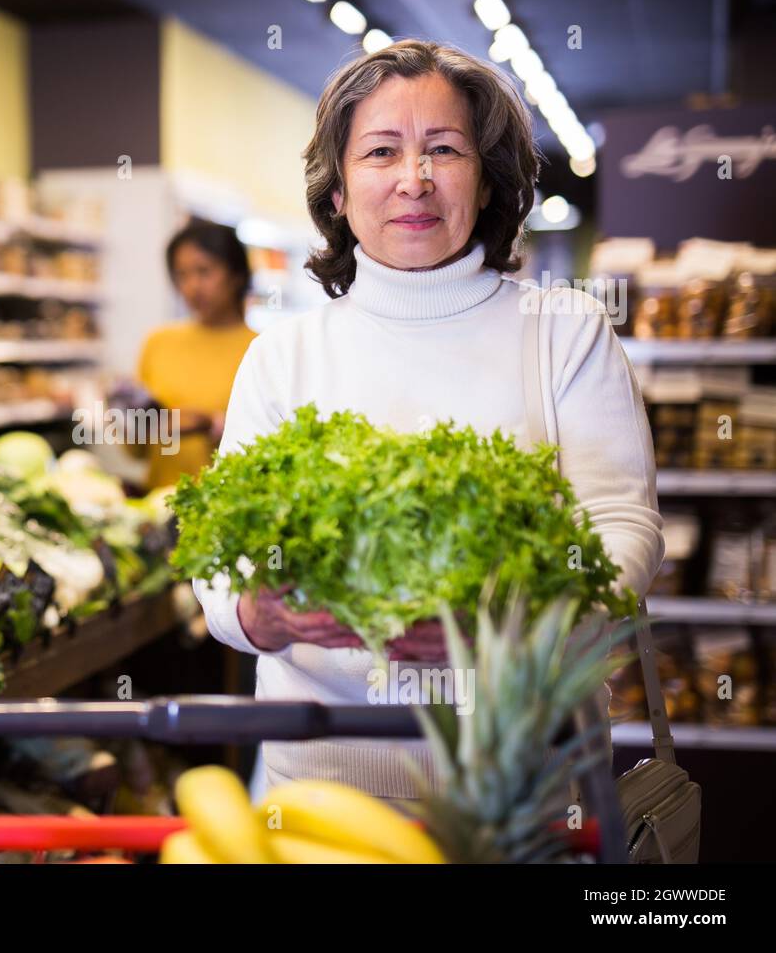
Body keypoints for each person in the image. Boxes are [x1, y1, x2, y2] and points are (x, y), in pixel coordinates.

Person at [192, 40, 666, 804]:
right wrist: (257, 614)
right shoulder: (284, 355)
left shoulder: (565, 331)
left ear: (485, 182)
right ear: (339, 191)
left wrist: (506, 629)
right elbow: (220, 559)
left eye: (443, 150)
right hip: (320, 786)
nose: (414, 180)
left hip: (524, 781)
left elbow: (621, 532)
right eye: (381, 151)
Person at [133, 221, 258, 490]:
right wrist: (123, 417)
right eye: (181, 275)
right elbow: (136, 451)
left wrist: (211, 424)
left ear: (236, 274)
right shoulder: (158, 342)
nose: (192, 287)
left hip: (226, 509)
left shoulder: (261, 350)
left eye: (204, 271)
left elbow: (268, 445)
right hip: (158, 505)